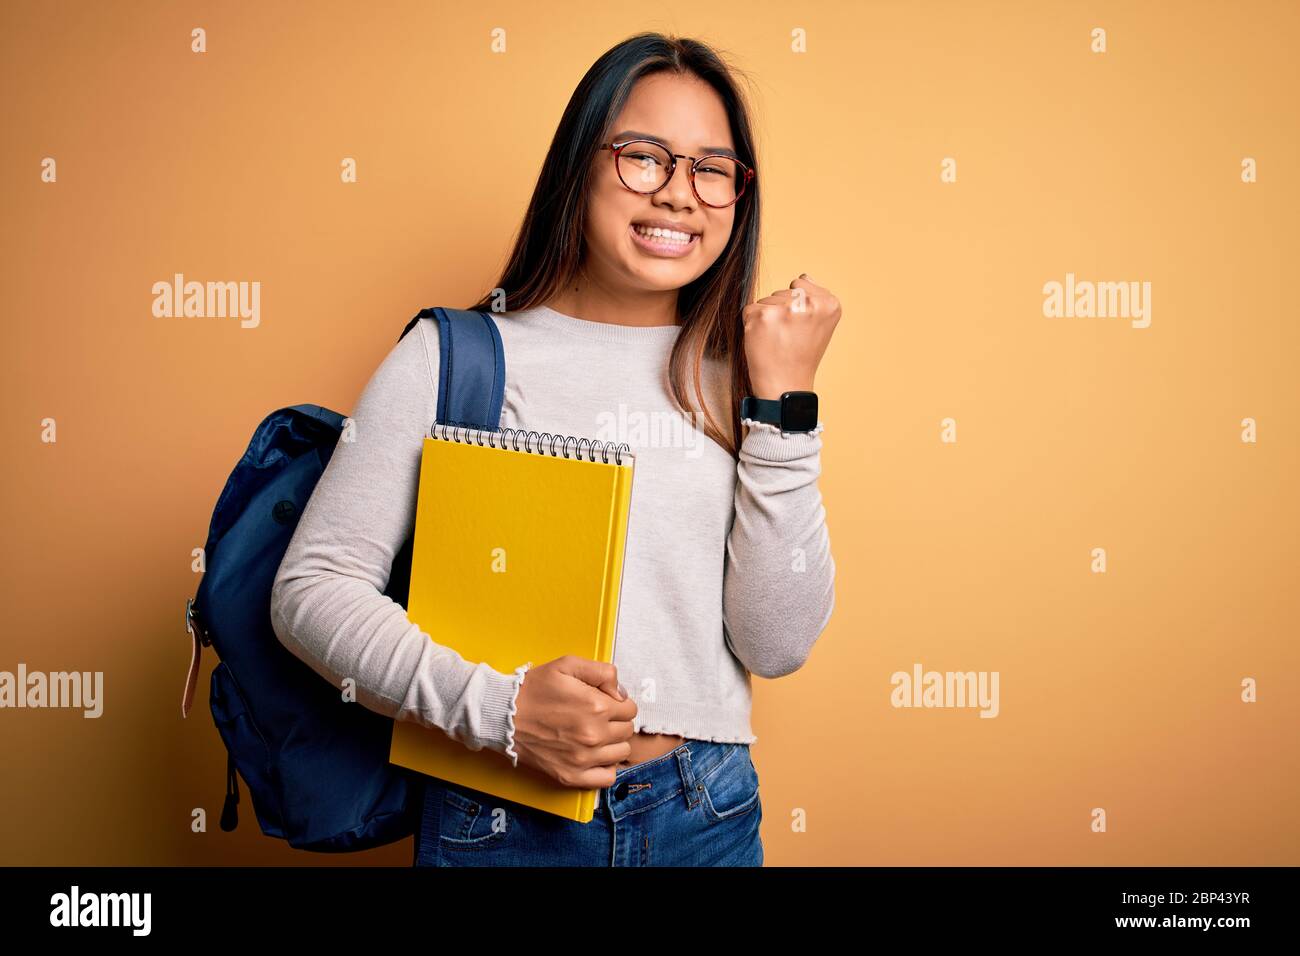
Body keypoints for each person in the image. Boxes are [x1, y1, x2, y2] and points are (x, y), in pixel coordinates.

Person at [270, 31, 839, 867]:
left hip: (705, 815)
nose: (681, 195)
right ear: (580, 163)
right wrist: (501, 712)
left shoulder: (745, 380)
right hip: (499, 816)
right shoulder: (453, 356)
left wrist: (785, 407)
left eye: (712, 170)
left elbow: (776, 643)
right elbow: (311, 591)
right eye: (645, 157)